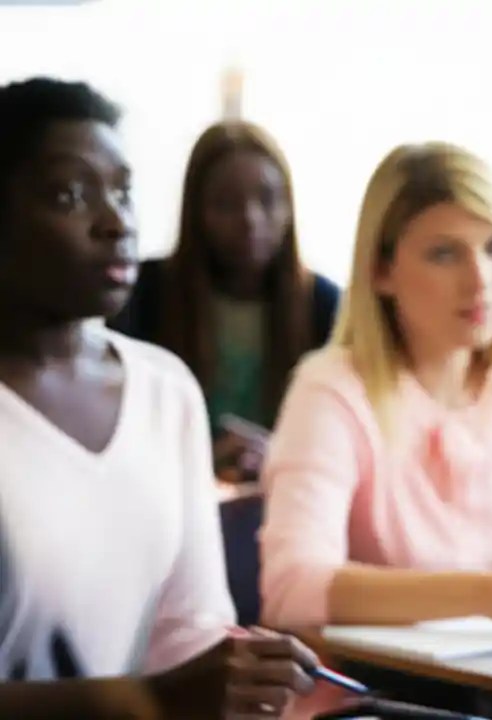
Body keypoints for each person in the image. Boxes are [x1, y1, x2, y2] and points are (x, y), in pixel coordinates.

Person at [0, 77, 315, 719]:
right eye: (70, 194)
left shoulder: (166, 390)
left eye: (122, 190)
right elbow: (159, 694)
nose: (116, 222)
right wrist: (142, 701)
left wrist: (240, 678)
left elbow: (189, 632)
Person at [259, 141, 492, 632]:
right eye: (444, 254)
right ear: (380, 271)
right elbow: (292, 590)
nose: (479, 279)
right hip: (374, 694)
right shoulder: (331, 392)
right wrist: (488, 595)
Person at [110, 121, 340, 483]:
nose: (250, 219)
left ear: (290, 207)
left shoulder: (324, 305)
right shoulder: (144, 295)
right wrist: (203, 460)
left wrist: (278, 456)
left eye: (267, 199)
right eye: (226, 203)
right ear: (195, 211)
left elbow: (341, 441)